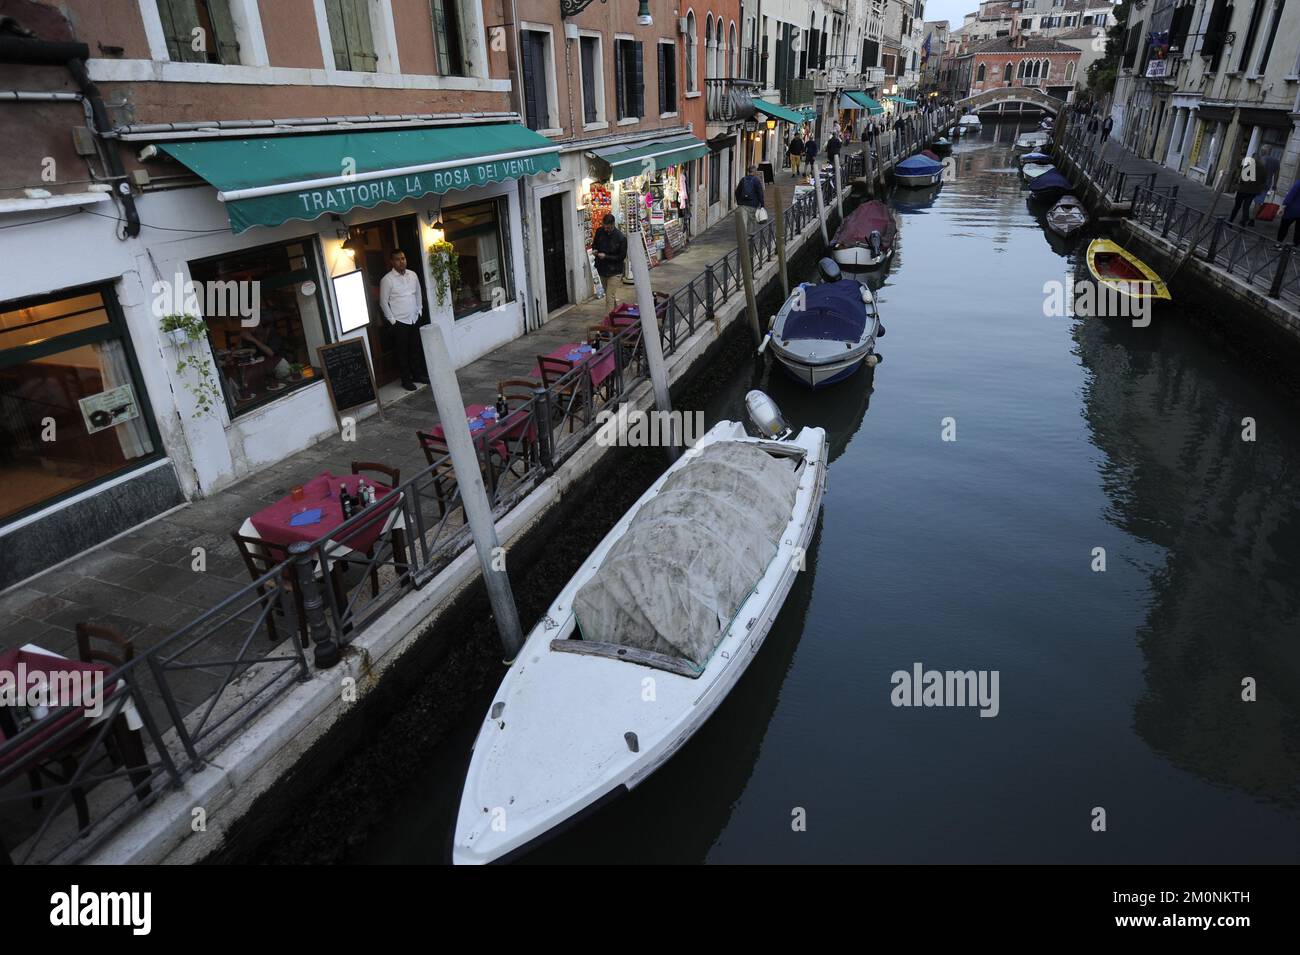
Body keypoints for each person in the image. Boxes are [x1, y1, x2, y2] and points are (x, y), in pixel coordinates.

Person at [379, 249, 425, 391]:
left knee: (415, 349)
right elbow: (383, 302)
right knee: (402, 353)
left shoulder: (413, 275)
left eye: (403, 258)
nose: (402, 261)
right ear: (392, 262)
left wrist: (419, 309)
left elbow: (418, 293)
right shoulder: (387, 280)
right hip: (400, 322)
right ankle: (406, 380)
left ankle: (417, 375)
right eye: (398, 259)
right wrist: (392, 320)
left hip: (414, 318)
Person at [590, 213, 627, 307]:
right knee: (609, 294)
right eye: (604, 227)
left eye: (608, 228)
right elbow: (594, 244)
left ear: (613, 224)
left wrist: (606, 256)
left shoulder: (620, 238)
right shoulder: (599, 231)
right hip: (602, 268)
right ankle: (615, 314)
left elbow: (621, 256)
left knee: (609, 297)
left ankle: (608, 321)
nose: (606, 229)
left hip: (615, 271)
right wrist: (595, 250)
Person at [1229, 152, 1266, 226]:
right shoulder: (1263, 168)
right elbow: (1263, 181)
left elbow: (1243, 178)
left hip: (1243, 189)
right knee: (1246, 206)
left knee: (1237, 206)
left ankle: (1230, 221)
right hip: (1253, 192)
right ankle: (1243, 222)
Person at [734, 164, 766, 232]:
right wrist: (762, 204)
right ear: (755, 172)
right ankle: (750, 239)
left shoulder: (743, 179)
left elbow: (737, 192)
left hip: (743, 205)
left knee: (743, 223)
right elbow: (760, 194)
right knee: (752, 222)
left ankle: (743, 239)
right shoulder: (756, 180)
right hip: (753, 205)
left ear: (748, 171)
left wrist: (739, 202)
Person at [1276, 179, 1300, 246]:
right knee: (1298, 230)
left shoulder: (1298, 183)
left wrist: (1283, 206)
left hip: (1292, 210)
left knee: (1284, 227)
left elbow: (1291, 195)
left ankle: (1278, 244)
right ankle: (1295, 247)